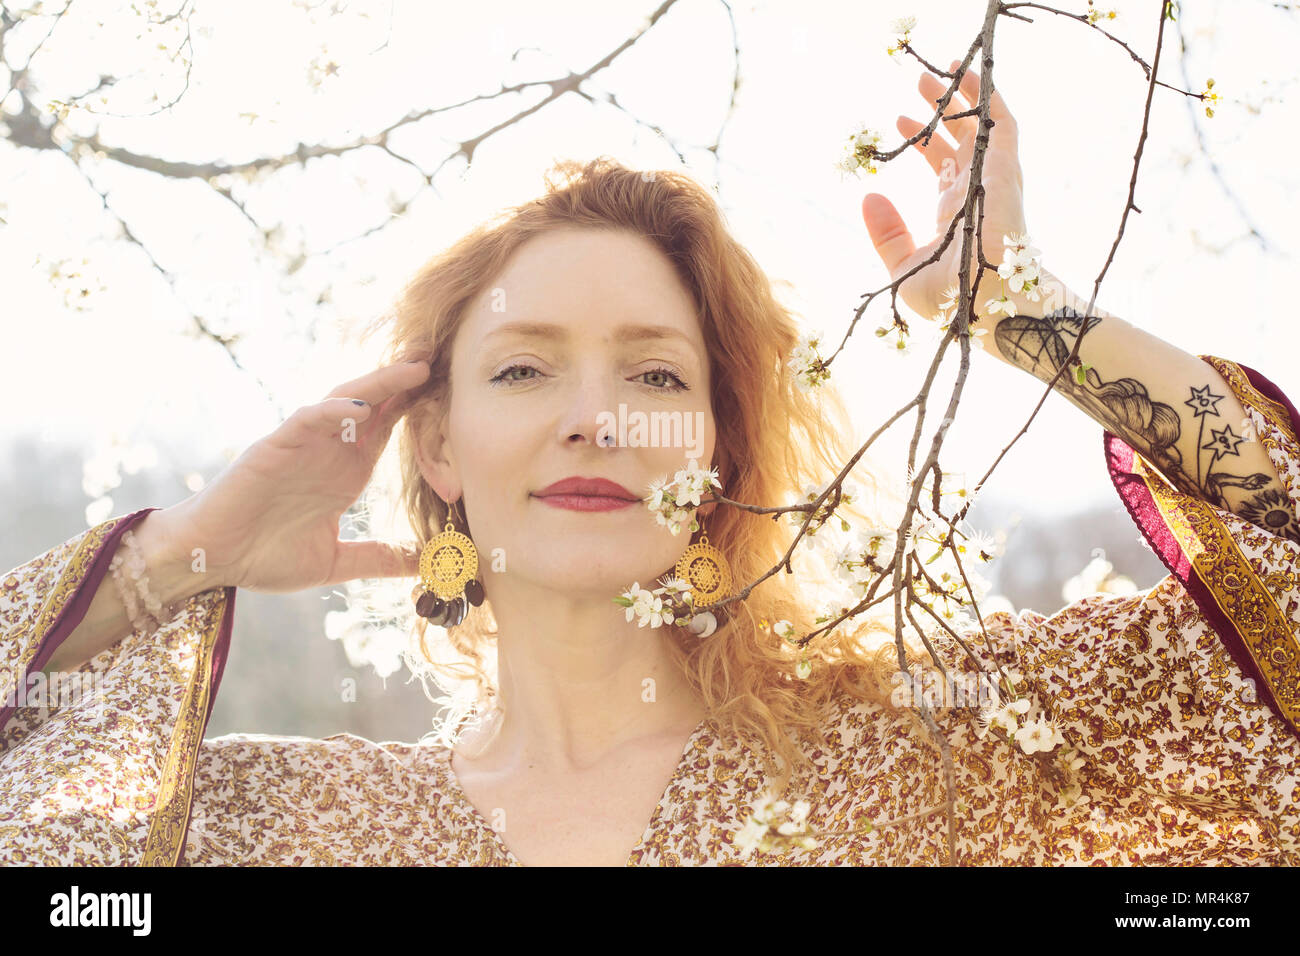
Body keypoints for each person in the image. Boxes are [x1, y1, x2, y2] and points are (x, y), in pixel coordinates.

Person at [2, 62, 1298, 867]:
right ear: (437, 442)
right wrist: (182, 563)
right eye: (522, 369)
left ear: (721, 447)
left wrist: (1023, 313)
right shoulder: (273, 824)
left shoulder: (943, 750)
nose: (593, 417)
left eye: (658, 376)